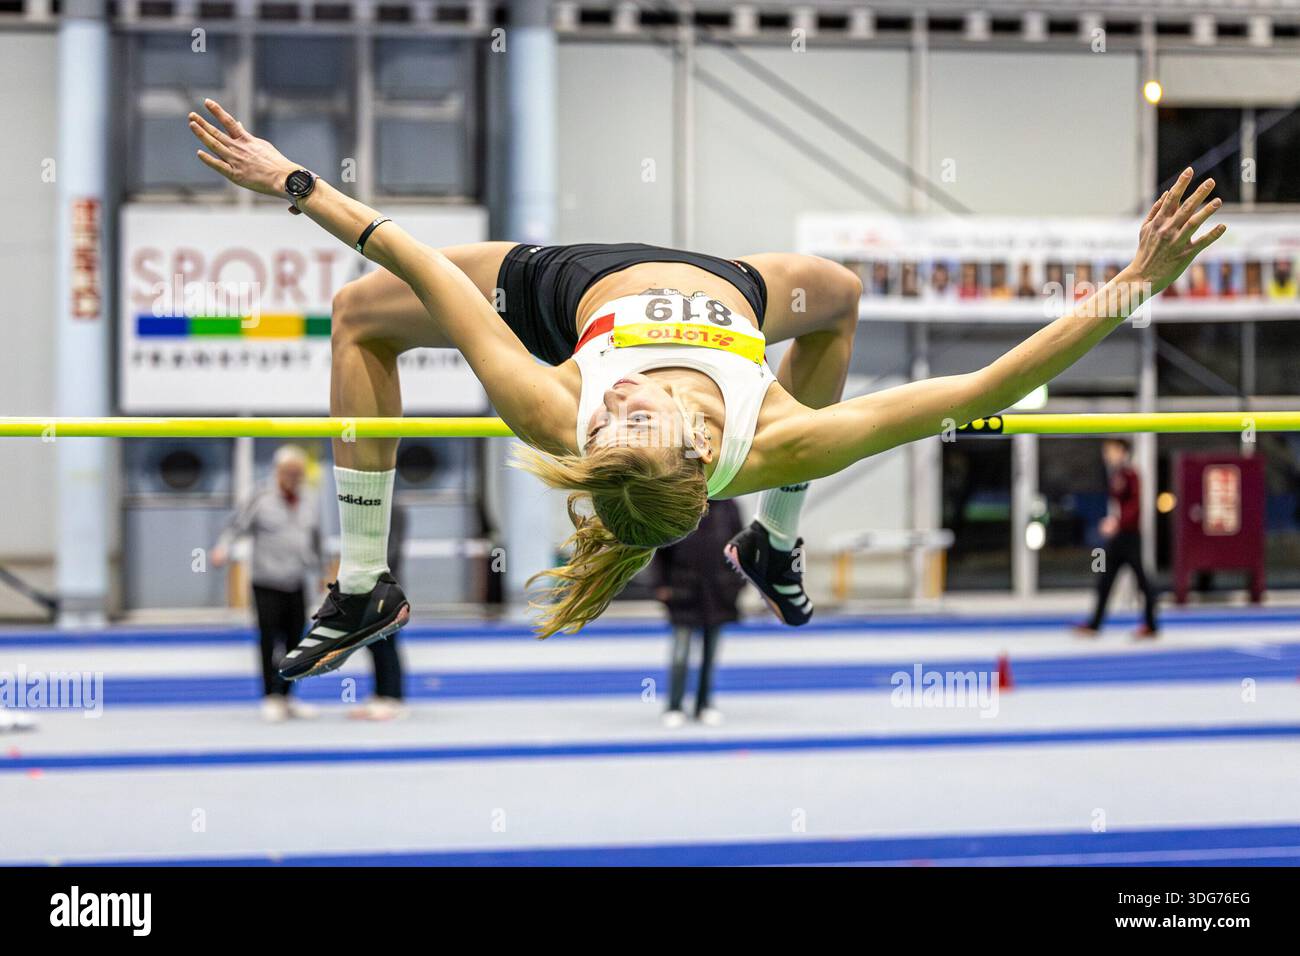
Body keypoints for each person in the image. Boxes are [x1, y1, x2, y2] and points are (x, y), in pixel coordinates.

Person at [187, 100, 1224, 679]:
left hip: (564, 288)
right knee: (841, 299)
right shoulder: (776, 437)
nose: (635, 397)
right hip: (739, 291)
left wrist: (292, 181)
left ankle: (362, 577)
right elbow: (997, 378)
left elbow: (413, 262)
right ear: (700, 453)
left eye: (623, 412)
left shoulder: (558, 408)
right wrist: (1136, 286)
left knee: (363, 312)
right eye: (653, 416)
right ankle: (773, 538)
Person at [211, 444, 323, 719]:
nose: (294, 477)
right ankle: (271, 696)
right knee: (269, 641)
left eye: (299, 472)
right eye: (289, 472)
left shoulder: (309, 499)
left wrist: (321, 574)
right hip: (266, 583)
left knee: (297, 644)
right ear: (278, 471)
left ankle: (287, 697)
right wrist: (223, 548)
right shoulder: (260, 497)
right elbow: (236, 526)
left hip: (297, 581)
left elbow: (316, 539)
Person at [652, 498, 745, 728]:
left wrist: (736, 584)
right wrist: (661, 585)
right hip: (683, 590)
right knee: (680, 654)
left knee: (709, 655)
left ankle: (704, 704)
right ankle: (674, 706)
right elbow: (660, 548)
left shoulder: (729, 507)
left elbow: (742, 547)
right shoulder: (677, 500)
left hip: (718, 592)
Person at [1073, 438, 1159, 639]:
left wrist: (1116, 523)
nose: (1107, 456)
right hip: (1119, 537)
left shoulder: (1131, 475)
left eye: (1110, 451)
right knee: (1105, 579)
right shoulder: (1116, 475)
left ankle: (1151, 625)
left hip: (1129, 537)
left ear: (1122, 452)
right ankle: (1094, 624)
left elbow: (1134, 507)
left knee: (1143, 582)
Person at [347, 502, 407, 720]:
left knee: (386, 643)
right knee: (372, 643)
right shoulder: (363, 510)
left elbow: (392, 552)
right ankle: (381, 693)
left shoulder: (394, 509)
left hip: (386, 589)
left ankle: (393, 696)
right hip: (365, 588)